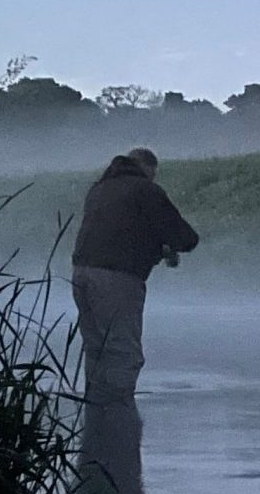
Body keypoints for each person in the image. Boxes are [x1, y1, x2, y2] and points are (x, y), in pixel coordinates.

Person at [70, 147, 200, 407]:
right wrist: (171, 247)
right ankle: (120, 416)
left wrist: (155, 247)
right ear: (149, 169)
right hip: (117, 279)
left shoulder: (99, 189)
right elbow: (183, 236)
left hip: (81, 273)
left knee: (96, 348)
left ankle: (95, 415)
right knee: (123, 351)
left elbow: (124, 231)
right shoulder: (145, 189)